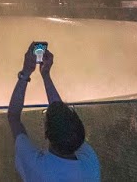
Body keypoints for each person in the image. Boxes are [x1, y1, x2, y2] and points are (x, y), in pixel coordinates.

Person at [7, 45, 100, 180]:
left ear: (46, 134)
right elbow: (60, 117)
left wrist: (25, 73)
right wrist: (46, 75)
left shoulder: (37, 167)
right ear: (79, 135)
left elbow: (13, 117)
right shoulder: (90, 162)